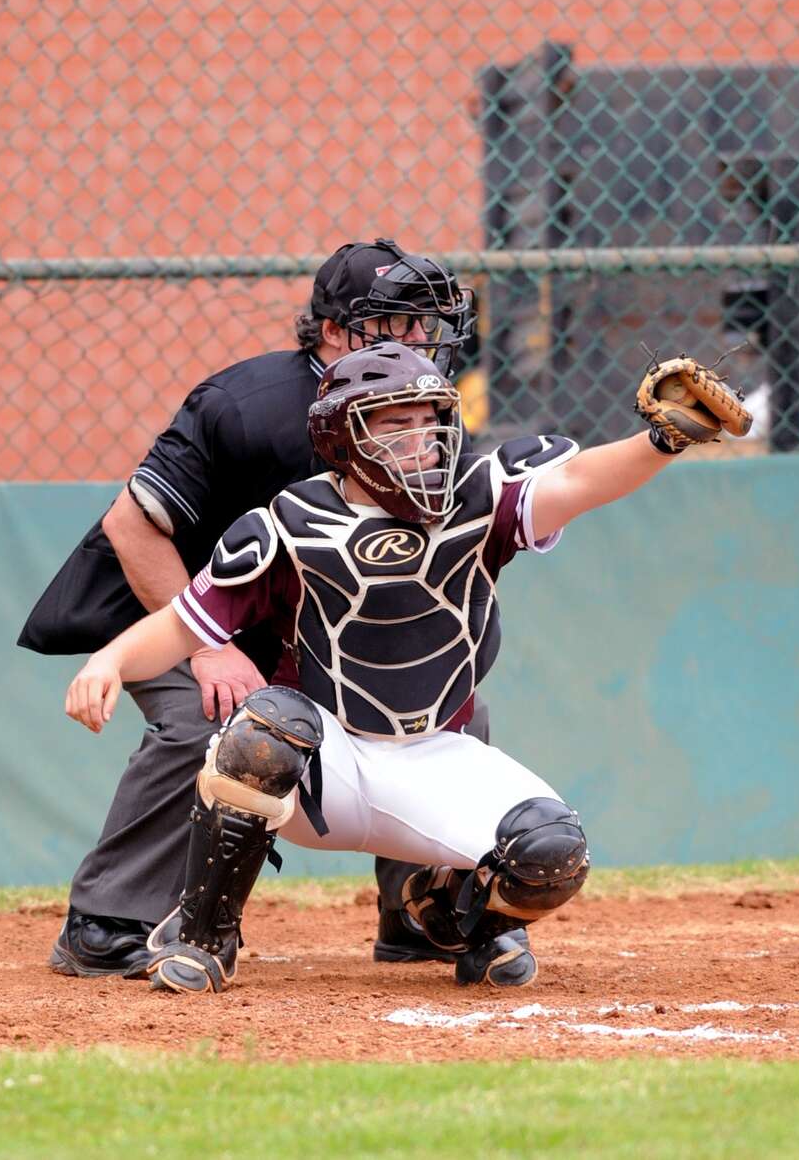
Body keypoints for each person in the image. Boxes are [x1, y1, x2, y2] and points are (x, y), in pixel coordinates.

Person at [62, 340, 715, 995]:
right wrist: (113, 659)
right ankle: (205, 937)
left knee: (551, 854)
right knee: (265, 726)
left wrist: (660, 440)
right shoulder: (289, 523)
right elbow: (183, 627)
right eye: (394, 423)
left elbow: (577, 481)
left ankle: (450, 915)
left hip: (435, 756)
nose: (419, 438)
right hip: (325, 764)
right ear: (341, 436)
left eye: (428, 419)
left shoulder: (480, 495)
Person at [20, 239, 480, 978]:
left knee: (450, 708)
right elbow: (131, 526)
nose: (421, 341)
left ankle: (424, 912)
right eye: (398, 322)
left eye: (427, 323)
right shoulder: (253, 406)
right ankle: (107, 923)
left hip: (299, 626)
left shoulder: (423, 418)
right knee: (209, 717)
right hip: (172, 607)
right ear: (334, 332)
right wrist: (206, 645)